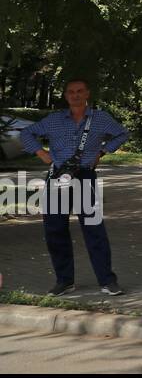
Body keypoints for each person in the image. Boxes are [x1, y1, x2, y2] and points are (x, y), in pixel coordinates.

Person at [19, 76, 128, 296]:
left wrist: (102, 152)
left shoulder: (100, 119)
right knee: (55, 230)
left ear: (87, 94)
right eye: (71, 92)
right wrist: (42, 154)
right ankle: (64, 281)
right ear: (66, 95)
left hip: (85, 177)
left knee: (94, 231)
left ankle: (107, 281)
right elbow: (25, 133)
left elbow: (122, 133)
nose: (75, 95)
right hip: (57, 178)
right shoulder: (54, 120)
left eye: (79, 91)